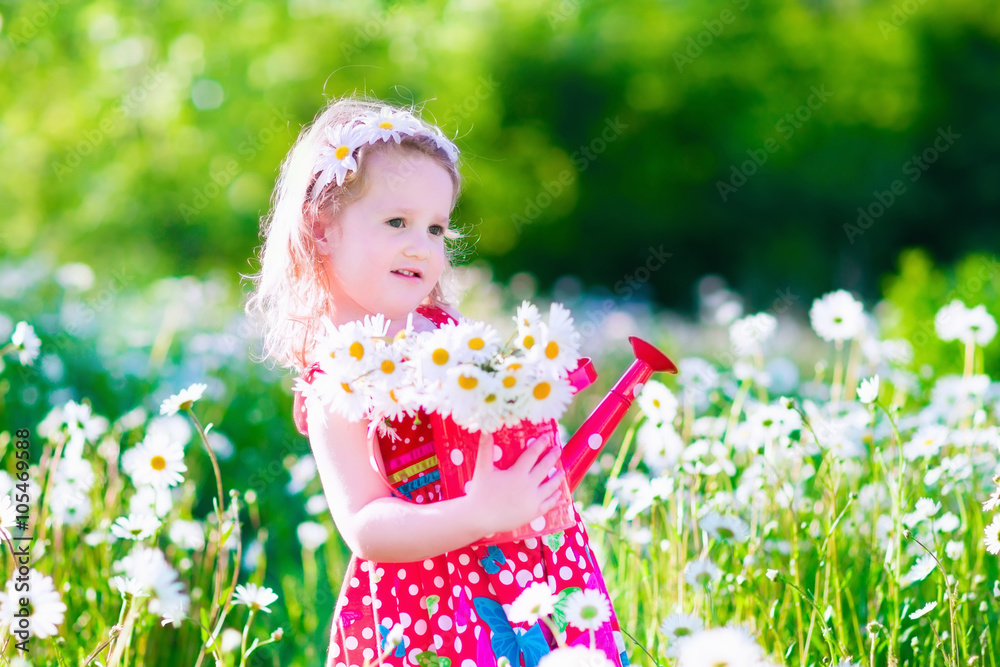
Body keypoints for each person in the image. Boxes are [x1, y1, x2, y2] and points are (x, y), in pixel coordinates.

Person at [247, 94, 629, 667]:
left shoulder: (448, 334)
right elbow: (366, 527)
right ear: (321, 227)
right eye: (396, 222)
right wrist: (479, 513)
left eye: (435, 228)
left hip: (534, 574)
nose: (420, 245)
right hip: (432, 609)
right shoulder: (340, 379)